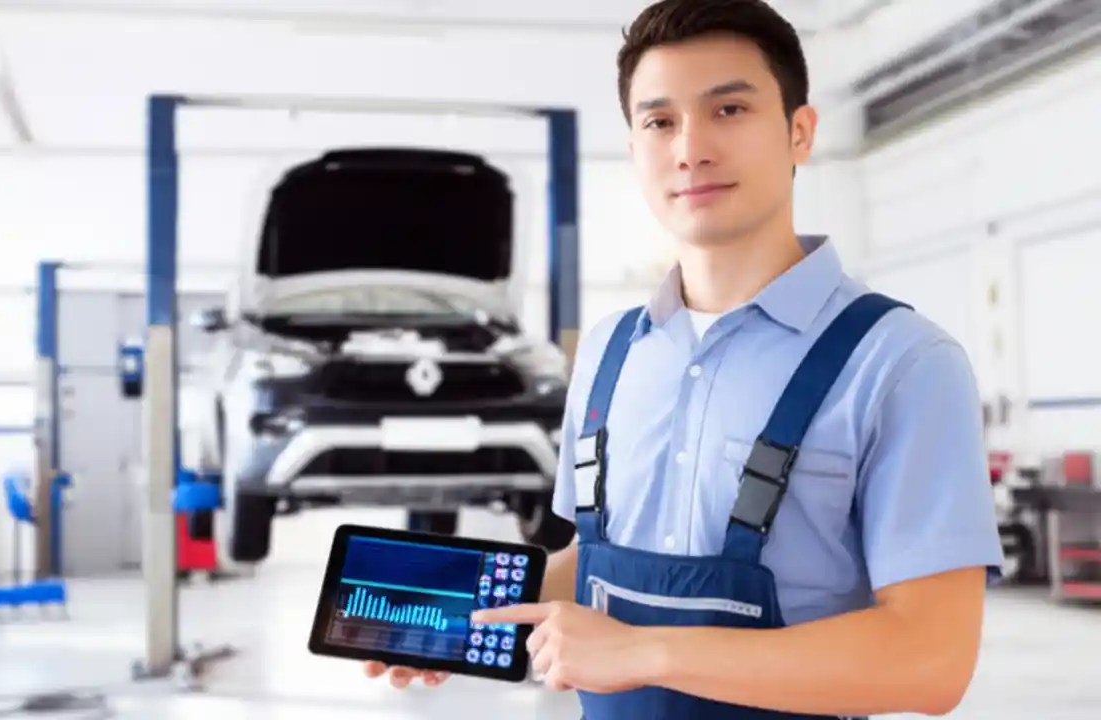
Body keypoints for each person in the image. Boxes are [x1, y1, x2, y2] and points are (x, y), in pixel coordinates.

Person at [365, 0, 1004, 717]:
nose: (690, 148)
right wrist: (444, 616)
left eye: (728, 110)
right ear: (635, 145)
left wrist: (646, 651)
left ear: (800, 131)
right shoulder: (609, 352)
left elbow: (931, 659)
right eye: (659, 121)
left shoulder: (902, 365)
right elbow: (599, 566)